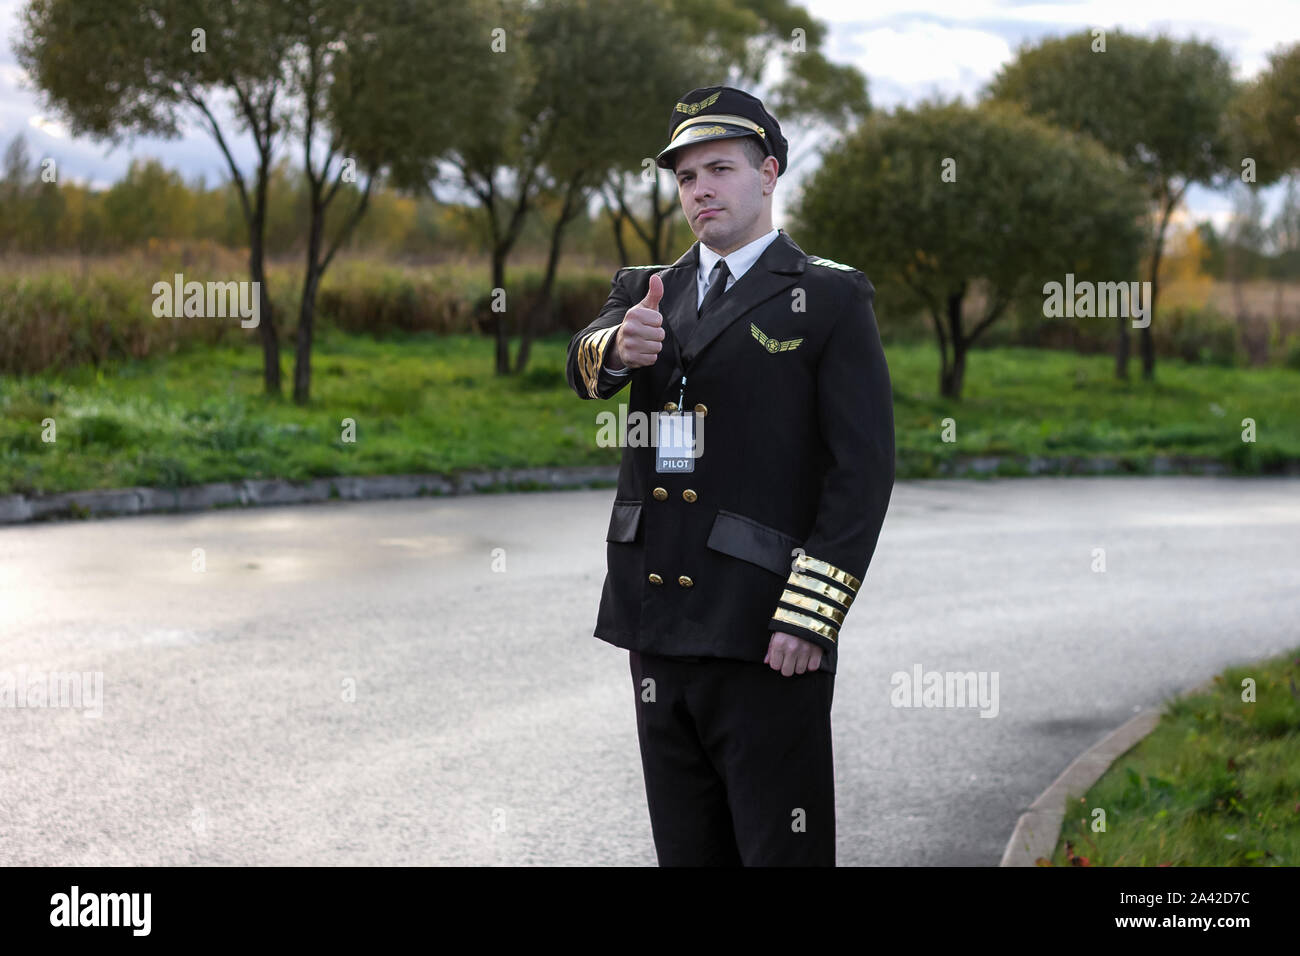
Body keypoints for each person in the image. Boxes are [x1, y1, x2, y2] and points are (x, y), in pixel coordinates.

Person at [565, 85, 895, 866]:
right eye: (685, 178)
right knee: (687, 852)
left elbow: (863, 473)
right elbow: (585, 369)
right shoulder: (647, 290)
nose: (699, 190)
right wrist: (615, 347)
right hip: (658, 624)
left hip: (765, 632)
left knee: (780, 851)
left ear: (769, 173)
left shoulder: (830, 296)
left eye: (719, 169)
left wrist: (810, 617)